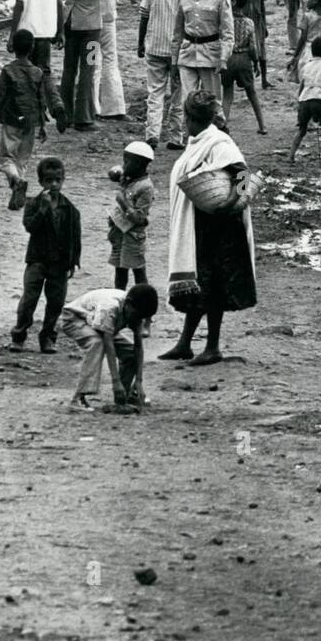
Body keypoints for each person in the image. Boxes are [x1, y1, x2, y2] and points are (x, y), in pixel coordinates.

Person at [162, 90, 257, 365]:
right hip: (202, 224)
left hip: (220, 228)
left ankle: (212, 346)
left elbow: (242, 173)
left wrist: (228, 204)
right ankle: (184, 343)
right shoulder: (200, 140)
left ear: (191, 118)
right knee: (198, 284)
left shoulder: (218, 143)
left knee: (212, 285)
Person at [10, 156, 81, 353]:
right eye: (49, 180)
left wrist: (73, 262)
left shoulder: (70, 209)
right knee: (29, 299)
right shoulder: (34, 203)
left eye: (58, 180)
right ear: (41, 182)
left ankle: (48, 337)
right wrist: (43, 209)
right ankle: (19, 335)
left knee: (56, 303)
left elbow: (75, 238)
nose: (54, 184)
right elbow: (29, 226)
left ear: (63, 179)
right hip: (37, 260)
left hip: (59, 263)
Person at [60, 0, 120, 131]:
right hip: (91, 23)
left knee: (69, 67)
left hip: (70, 18)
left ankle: (65, 114)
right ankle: (83, 117)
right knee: (88, 67)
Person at [0, 29, 57, 211]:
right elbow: (41, 100)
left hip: (11, 119)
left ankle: (18, 181)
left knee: (6, 158)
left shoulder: (8, 70)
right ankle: (17, 194)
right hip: (31, 121)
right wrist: (43, 125)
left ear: (14, 48)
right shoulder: (37, 72)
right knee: (22, 160)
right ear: (32, 48)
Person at [62, 284, 158, 412]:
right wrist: (115, 382)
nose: (136, 319)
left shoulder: (135, 310)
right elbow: (109, 344)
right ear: (128, 304)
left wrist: (139, 381)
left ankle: (124, 395)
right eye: (135, 315)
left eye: (141, 317)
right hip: (74, 319)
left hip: (97, 322)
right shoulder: (109, 308)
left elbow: (138, 347)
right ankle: (78, 398)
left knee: (130, 351)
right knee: (96, 343)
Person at [138, 0, 187, 151]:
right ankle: (176, 136)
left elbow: (144, 16)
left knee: (155, 93)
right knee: (178, 94)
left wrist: (140, 42)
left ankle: (152, 134)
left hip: (155, 45)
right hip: (177, 50)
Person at [172, 0, 234, 101]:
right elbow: (177, 33)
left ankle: (217, 124)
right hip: (187, 55)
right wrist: (174, 61)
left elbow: (227, 32)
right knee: (187, 102)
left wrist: (223, 58)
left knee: (212, 102)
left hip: (211, 56)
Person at [107, 141, 155, 289]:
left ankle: (144, 298)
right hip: (120, 233)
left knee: (138, 269)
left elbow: (139, 218)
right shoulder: (129, 178)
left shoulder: (146, 187)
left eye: (127, 161)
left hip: (133, 236)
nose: (124, 164)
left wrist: (123, 203)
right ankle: (119, 297)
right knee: (120, 268)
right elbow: (113, 175)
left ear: (140, 164)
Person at [222, 0, 266, 133]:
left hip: (228, 58)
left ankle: (223, 125)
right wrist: (256, 63)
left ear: (233, 2)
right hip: (244, 59)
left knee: (227, 94)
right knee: (251, 93)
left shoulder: (224, 21)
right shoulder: (249, 23)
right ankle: (262, 125)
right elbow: (253, 47)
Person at [289, 36, 321, 162]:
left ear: (312, 51)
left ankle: (291, 155)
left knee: (302, 129)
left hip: (304, 98)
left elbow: (302, 84)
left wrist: (299, 101)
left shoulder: (306, 66)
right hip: (319, 97)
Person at [233, 0, 270, 90]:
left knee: (261, 49)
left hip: (257, 20)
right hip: (242, 20)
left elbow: (262, 5)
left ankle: (265, 80)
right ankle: (244, 80)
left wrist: (264, 25)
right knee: (245, 50)